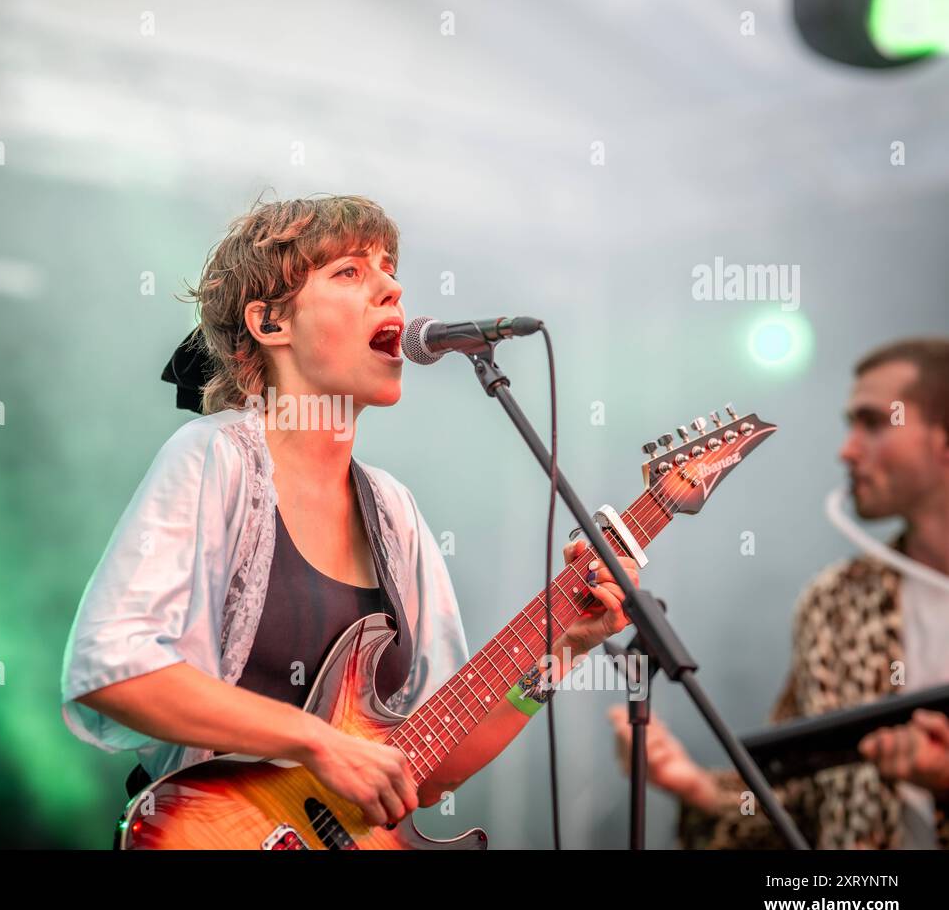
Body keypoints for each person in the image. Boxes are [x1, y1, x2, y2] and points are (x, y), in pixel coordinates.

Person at [60, 193, 639, 832]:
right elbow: (112, 666)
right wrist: (317, 741)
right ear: (269, 324)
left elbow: (430, 767)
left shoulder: (394, 511)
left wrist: (565, 645)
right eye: (350, 272)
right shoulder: (214, 456)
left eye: (390, 269)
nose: (391, 287)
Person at [609, 338, 949, 849]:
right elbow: (797, 803)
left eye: (874, 423)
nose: (847, 449)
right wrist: (696, 786)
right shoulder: (837, 602)